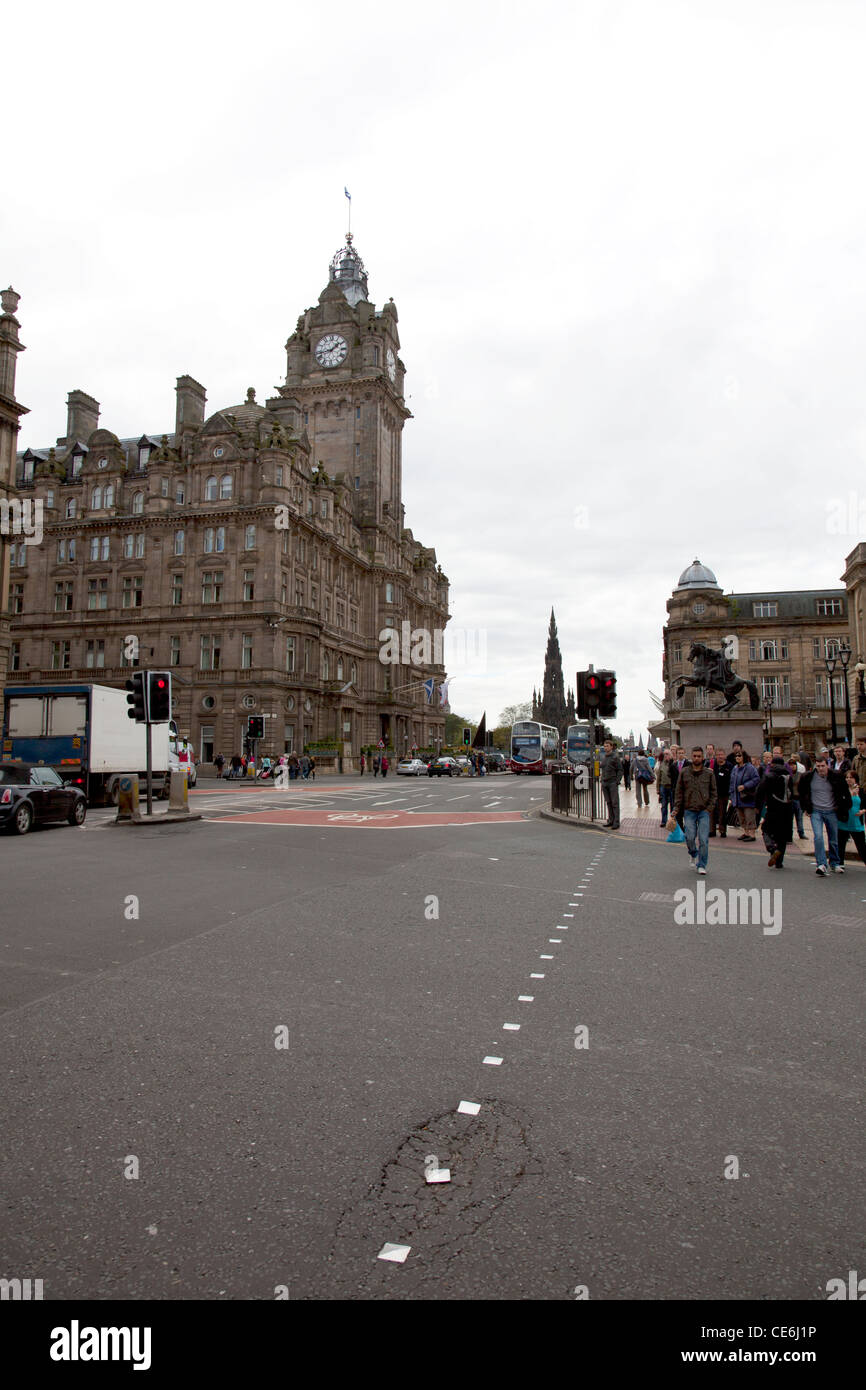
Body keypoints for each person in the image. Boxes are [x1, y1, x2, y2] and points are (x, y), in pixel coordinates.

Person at [798, 754, 851, 875]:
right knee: (818, 837)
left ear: (827, 765)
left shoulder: (836, 776)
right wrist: (805, 807)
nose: (821, 768)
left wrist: (845, 807)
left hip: (831, 810)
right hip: (816, 811)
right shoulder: (808, 777)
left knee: (833, 839)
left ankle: (835, 863)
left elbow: (844, 792)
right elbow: (802, 792)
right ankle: (821, 864)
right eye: (818, 766)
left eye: (823, 766)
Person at [670, 745, 717, 874]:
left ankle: (702, 865)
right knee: (689, 837)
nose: (696, 758)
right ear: (691, 756)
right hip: (689, 810)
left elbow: (714, 793)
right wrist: (676, 808)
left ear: (702, 757)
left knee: (703, 839)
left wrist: (709, 808)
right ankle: (693, 852)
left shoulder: (709, 774)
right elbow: (679, 792)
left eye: (699, 756)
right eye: (694, 756)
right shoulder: (684, 772)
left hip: (704, 811)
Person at [755, 756, 795, 867]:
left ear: (772, 764)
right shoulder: (788, 776)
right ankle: (779, 862)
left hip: (773, 808)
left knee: (765, 829)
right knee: (782, 835)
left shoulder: (769, 775)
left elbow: (760, 791)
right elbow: (792, 792)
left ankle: (772, 849)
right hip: (787, 809)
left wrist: (758, 806)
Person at [729, 748, 759, 840]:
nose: (737, 757)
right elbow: (732, 782)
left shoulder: (750, 768)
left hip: (747, 796)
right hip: (737, 797)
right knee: (741, 816)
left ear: (744, 757)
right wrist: (731, 794)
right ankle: (746, 833)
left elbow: (756, 779)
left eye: (739, 756)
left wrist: (745, 786)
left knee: (749, 815)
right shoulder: (735, 768)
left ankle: (752, 834)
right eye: (736, 756)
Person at [838, 772, 866, 867]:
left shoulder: (861, 791)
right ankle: (839, 863)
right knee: (841, 845)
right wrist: (850, 794)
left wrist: (863, 811)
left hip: (857, 823)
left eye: (851, 777)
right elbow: (841, 804)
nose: (848, 779)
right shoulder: (842, 790)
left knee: (862, 846)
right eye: (847, 777)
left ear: (855, 779)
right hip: (844, 821)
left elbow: (865, 804)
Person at [600, 738, 622, 829]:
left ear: (611, 747)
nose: (605, 748)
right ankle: (610, 820)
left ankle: (616, 822)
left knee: (614, 803)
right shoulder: (604, 757)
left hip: (612, 782)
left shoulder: (615, 757)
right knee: (608, 802)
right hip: (605, 782)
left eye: (607, 746)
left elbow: (620, 770)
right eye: (604, 746)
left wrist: (617, 781)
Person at [708, 747, 729, 837]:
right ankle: (712, 830)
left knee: (722, 813)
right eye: (718, 755)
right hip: (712, 793)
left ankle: (722, 830)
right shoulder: (712, 765)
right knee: (711, 813)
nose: (720, 757)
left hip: (724, 793)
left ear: (724, 756)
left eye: (721, 755)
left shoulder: (729, 766)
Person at [656, 749, 674, 826]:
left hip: (671, 787)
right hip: (663, 786)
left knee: (673, 805)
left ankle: (673, 821)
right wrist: (657, 789)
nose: (666, 755)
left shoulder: (673, 764)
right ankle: (664, 821)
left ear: (671, 755)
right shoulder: (661, 764)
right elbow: (658, 778)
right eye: (665, 754)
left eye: (667, 754)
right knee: (664, 805)